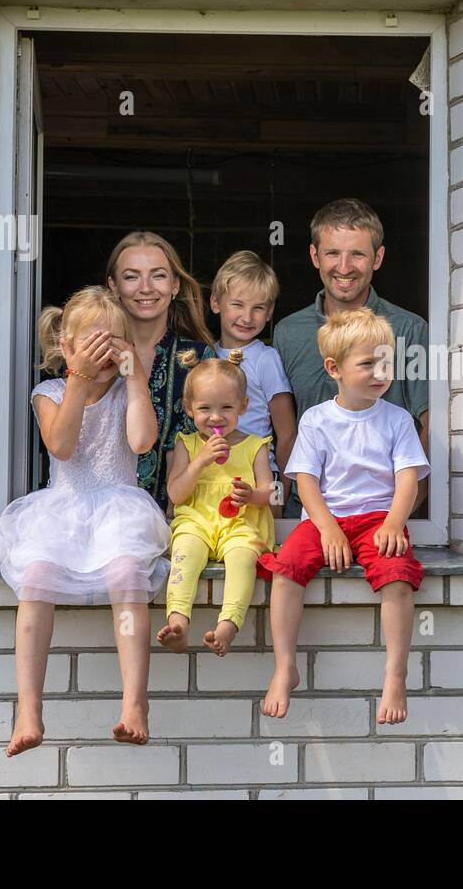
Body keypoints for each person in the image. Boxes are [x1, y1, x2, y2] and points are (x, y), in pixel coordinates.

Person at [0, 286, 169, 756]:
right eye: (93, 344)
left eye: (114, 344)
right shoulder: (49, 392)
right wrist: (76, 380)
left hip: (119, 510)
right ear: (67, 348)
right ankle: (28, 710)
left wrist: (136, 378)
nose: (103, 355)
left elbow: (140, 442)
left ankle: (135, 703)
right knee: (36, 579)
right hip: (63, 509)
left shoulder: (125, 391)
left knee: (127, 576)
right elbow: (63, 446)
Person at [258, 308, 429, 725]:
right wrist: (328, 528)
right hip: (325, 519)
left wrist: (393, 522)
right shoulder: (316, 420)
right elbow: (306, 481)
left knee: (397, 575)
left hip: (377, 519)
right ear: (334, 368)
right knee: (287, 569)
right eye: (368, 364)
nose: (380, 373)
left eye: (386, 363)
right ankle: (285, 666)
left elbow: (408, 479)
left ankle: (395, 673)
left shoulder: (397, 420)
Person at [272, 199, 429, 516]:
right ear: (315, 256)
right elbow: (279, 430)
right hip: (304, 518)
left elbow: (430, 427)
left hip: (379, 520)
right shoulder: (287, 332)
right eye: (332, 253)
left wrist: (400, 518)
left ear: (378, 258)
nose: (344, 267)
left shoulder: (410, 330)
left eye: (357, 254)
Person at [156, 349, 275, 658]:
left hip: (240, 524)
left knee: (241, 561)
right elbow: (176, 494)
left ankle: (228, 625)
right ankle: (178, 624)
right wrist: (199, 462)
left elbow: (270, 492)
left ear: (244, 406)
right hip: (196, 521)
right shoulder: (188, 443)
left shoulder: (255, 446)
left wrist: (252, 495)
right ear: (189, 408)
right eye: (205, 408)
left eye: (226, 407)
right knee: (184, 555)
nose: (215, 417)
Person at [104, 230, 215, 513]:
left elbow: (203, 444)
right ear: (113, 286)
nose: (145, 288)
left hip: (177, 520)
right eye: (131, 276)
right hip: (99, 514)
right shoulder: (96, 355)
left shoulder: (197, 359)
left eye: (158, 275)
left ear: (175, 285)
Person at [207, 250, 296, 516]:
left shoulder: (265, 359)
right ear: (215, 303)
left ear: (269, 312)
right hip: (212, 476)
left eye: (258, 308)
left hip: (257, 478)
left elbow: (288, 433)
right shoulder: (205, 356)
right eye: (237, 305)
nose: (247, 317)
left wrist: (281, 494)